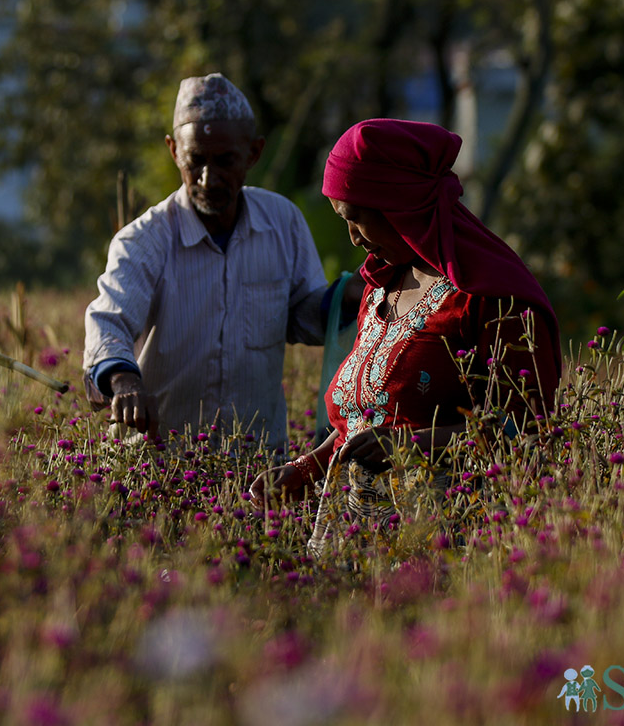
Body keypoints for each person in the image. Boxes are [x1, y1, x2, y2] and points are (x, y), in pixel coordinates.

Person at [249, 119, 561, 549]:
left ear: (401, 205)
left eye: (358, 218)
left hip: (443, 543)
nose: (354, 238)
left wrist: (413, 445)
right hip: (351, 537)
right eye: (344, 220)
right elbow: (365, 422)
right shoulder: (381, 288)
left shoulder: (491, 300)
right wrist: (307, 468)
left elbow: (527, 436)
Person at [83, 73, 347, 448]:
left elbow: (303, 316)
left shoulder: (282, 222)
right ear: (174, 151)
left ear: (253, 153)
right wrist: (124, 381)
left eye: (225, 161)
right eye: (196, 161)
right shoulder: (143, 240)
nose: (208, 178)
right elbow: (108, 321)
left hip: (255, 465)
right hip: (161, 465)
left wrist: (346, 299)